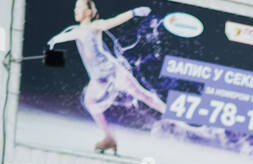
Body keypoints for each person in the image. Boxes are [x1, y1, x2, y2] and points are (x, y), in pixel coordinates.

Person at [48, 2, 166, 154]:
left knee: (142, 95)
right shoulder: (78, 30)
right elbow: (70, 35)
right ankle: (109, 138)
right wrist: (54, 41)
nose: (75, 10)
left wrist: (133, 12)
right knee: (89, 101)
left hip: (112, 71)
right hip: (98, 78)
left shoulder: (94, 26)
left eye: (80, 7)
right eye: (76, 7)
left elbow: (114, 20)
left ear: (89, 12)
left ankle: (171, 113)